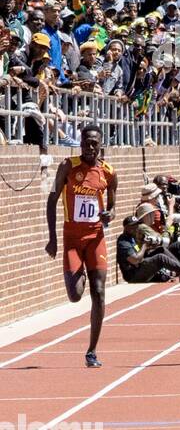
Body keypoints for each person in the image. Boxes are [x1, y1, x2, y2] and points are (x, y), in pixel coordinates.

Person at [44, 125, 117, 367]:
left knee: (99, 291)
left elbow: (112, 207)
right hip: (72, 239)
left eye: (94, 143)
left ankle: (92, 351)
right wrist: (52, 238)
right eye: (86, 142)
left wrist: (109, 214)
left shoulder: (108, 173)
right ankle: (80, 272)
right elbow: (52, 199)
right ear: (81, 143)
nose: (90, 147)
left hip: (95, 237)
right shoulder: (68, 166)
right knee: (75, 295)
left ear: (101, 144)